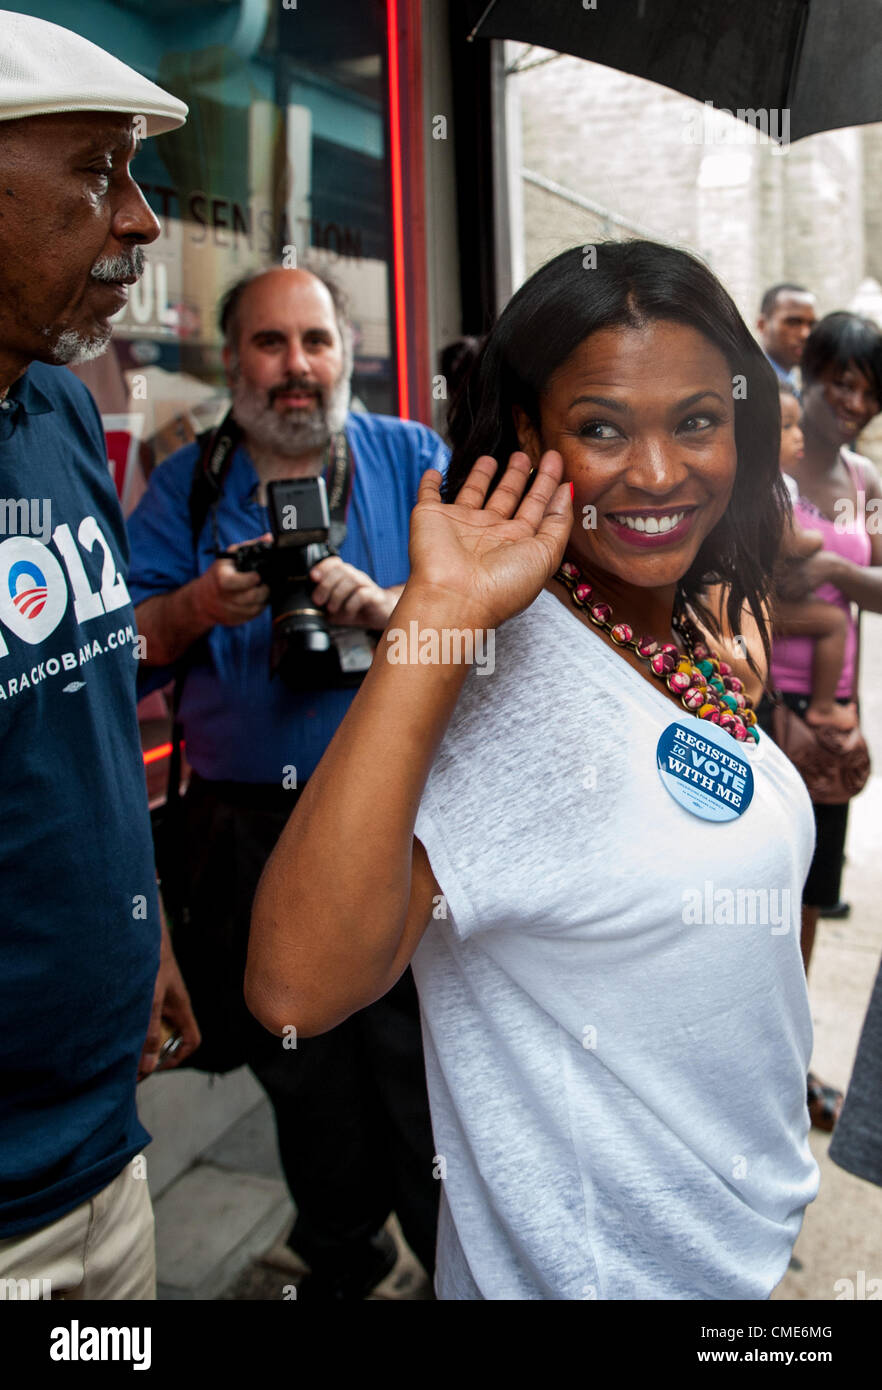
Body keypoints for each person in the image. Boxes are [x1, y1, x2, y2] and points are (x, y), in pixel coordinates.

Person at [247, 240, 821, 1300]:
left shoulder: (670, 625)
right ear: (526, 433)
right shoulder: (505, 676)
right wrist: (438, 615)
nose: (657, 471)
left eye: (696, 418)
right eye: (602, 426)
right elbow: (294, 985)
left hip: (733, 1255)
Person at [126, 264, 446, 1298]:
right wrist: (198, 610)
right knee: (303, 1077)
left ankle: (459, 1266)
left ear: (347, 352)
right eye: (270, 343)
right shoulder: (188, 485)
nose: (296, 367)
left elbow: (495, 622)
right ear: (233, 361)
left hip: (407, 828)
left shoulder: (414, 459)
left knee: (425, 1073)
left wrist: (387, 603)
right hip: (251, 836)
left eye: (315, 340)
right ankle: (343, 1257)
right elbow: (120, 651)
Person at [0, 12, 198, 1300]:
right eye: (94, 172)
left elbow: (85, 700)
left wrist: (145, 930)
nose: (137, 220)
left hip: (107, 1159)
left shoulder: (62, 407)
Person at [762, 311, 882, 1130]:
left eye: (872, 390)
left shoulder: (866, 482)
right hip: (759, 704)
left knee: (808, 900)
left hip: (830, 708)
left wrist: (849, 712)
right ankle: (745, 1063)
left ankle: (789, 1072)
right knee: (749, 894)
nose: (856, 400)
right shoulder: (767, 468)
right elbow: (733, 589)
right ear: (811, 371)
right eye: (843, 379)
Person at [773, 382, 856, 732]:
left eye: (799, 425)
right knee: (835, 622)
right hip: (764, 605)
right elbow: (791, 544)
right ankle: (822, 708)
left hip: (771, 598)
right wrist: (820, 540)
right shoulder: (770, 486)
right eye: (786, 426)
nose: (799, 436)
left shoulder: (778, 482)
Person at [757, 283, 817, 391]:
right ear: (762, 325)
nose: (806, 334)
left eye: (812, 324)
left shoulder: (793, 383)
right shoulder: (745, 384)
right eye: (793, 323)